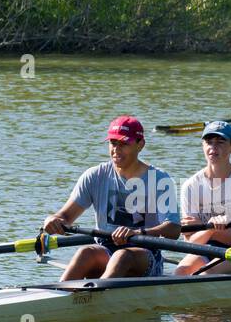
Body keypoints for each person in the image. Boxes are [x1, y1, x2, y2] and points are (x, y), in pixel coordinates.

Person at [42, 116, 181, 281]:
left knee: (122, 256)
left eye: (124, 144)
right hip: (106, 249)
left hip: (146, 255)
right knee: (85, 252)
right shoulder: (95, 176)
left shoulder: (159, 180)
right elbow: (66, 216)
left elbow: (173, 229)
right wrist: (53, 220)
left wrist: (137, 232)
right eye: (113, 143)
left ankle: (98, 295)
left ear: (140, 145)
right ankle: (60, 296)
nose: (116, 150)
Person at [174, 121, 231, 276]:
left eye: (220, 142)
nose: (213, 148)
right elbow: (190, 242)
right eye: (209, 142)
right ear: (202, 146)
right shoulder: (190, 186)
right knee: (180, 272)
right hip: (204, 248)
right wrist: (210, 229)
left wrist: (209, 230)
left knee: (205, 275)